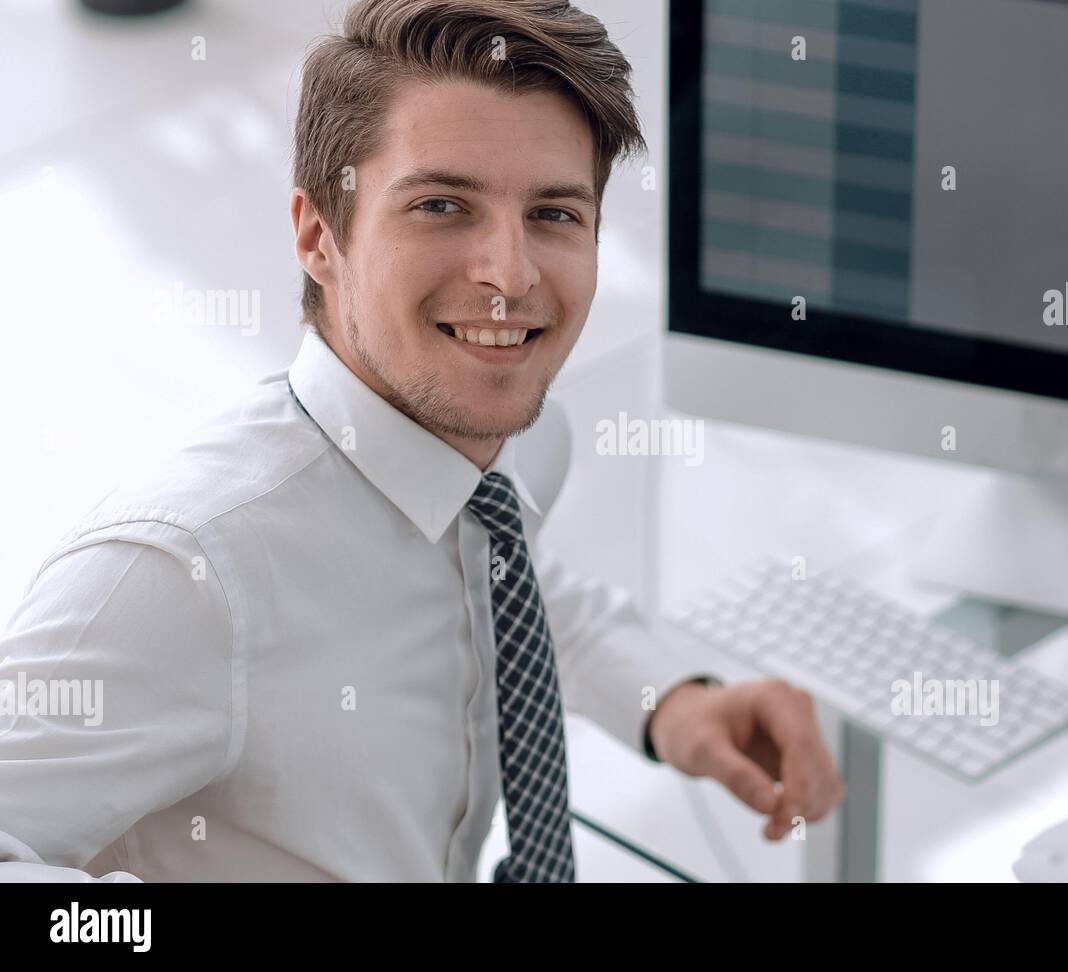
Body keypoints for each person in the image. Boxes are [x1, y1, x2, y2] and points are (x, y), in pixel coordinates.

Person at [0, 0, 844, 882]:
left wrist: (667, 699)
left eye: (555, 214)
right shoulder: (182, 576)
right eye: (442, 206)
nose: (509, 276)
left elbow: (500, 584)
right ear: (318, 234)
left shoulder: (508, 436)